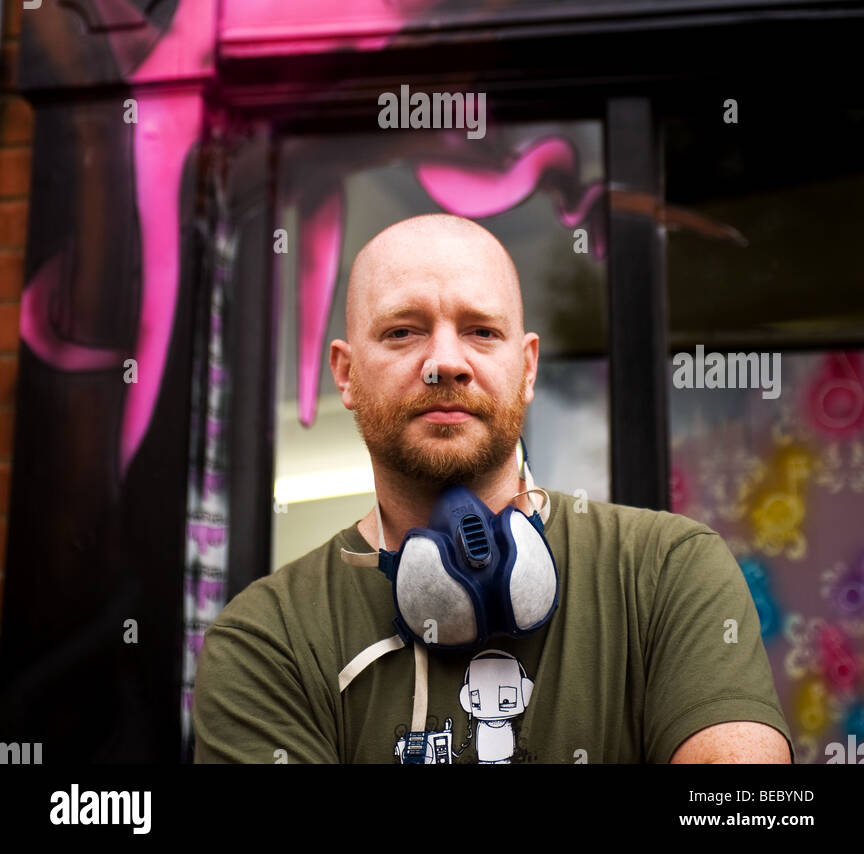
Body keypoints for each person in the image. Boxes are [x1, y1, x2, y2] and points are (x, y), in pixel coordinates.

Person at [193, 213, 794, 765]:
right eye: (404, 332)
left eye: (481, 331)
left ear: (528, 368)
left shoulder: (666, 570)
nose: (445, 362)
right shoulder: (265, 642)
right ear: (346, 374)